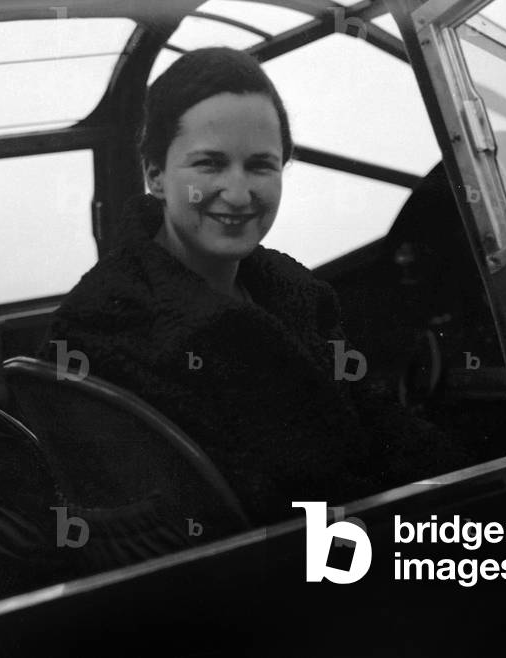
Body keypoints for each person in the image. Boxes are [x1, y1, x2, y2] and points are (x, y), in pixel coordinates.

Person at [40, 47, 470, 525]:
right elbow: (242, 518)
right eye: (210, 164)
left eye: (261, 165)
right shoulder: (102, 326)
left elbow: (380, 419)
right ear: (155, 175)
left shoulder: (293, 292)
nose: (240, 192)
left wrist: (477, 492)